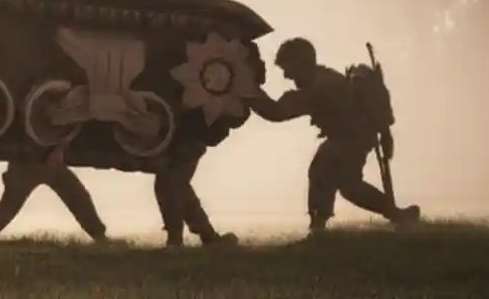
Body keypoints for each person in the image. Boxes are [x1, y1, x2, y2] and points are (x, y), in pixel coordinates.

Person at [247, 37, 421, 233]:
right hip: (352, 136)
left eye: (288, 68)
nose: (287, 75)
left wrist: (248, 91)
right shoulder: (322, 79)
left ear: (302, 63)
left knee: (324, 171)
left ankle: (319, 227)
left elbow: (276, 112)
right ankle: (396, 214)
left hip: (350, 138)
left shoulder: (319, 87)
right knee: (347, 184)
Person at [0, 145, 108, 242]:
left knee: (78, 198)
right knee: (9, 205)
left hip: (44, 161)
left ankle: (99, 236)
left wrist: (59, 148)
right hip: (30, 162)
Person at [152, 136, 237, 248]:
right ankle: (205, 236)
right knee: (173, 183)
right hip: (185, 137)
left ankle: (177, 240)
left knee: (171, 183)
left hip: (187, 137)